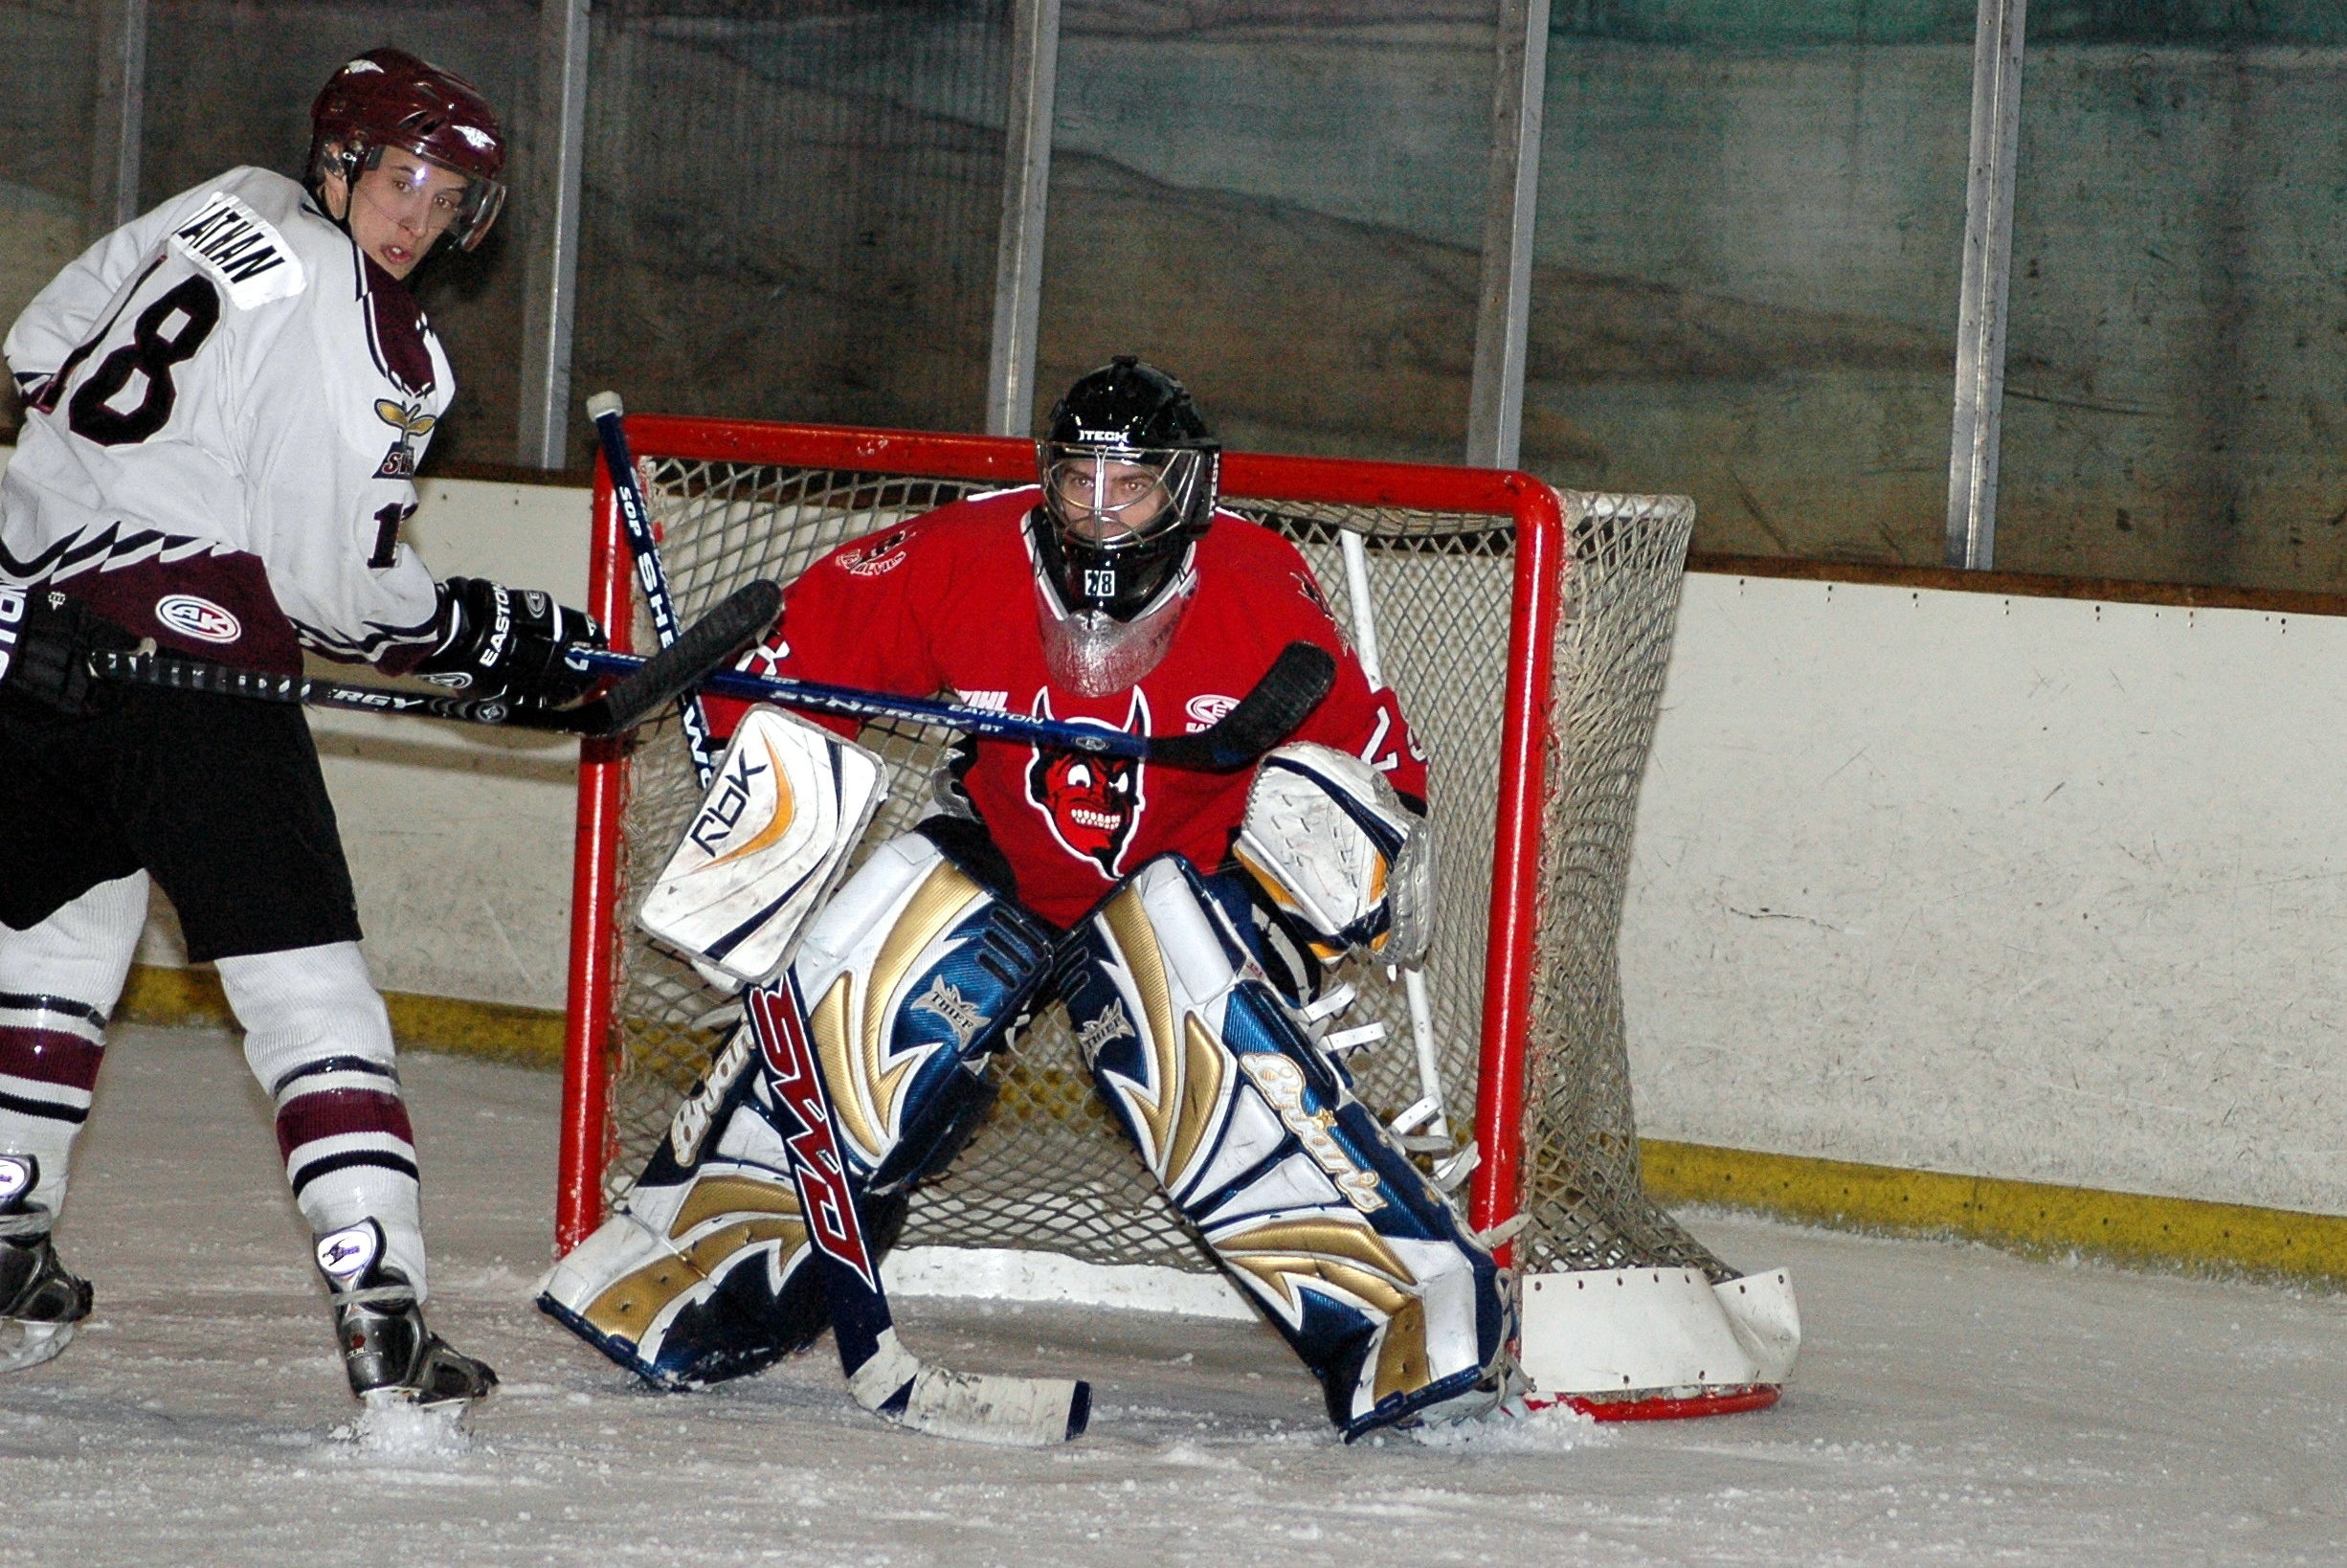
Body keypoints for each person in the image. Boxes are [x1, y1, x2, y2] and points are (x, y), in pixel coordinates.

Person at [543, 357, 1519, 1439]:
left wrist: (1355, 855)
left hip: (1195, 886)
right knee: (891, 939)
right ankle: (704, 1273)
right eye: (1079, 484)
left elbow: (1377, 770)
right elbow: (793, 668)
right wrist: (749, 787)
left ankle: (1404, 1308)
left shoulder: (1251, 581)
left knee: (1168, 983)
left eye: (1132, 486)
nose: (1100, 514)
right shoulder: (960, 553)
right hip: (1008, 861)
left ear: (1184, 492)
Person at [0, 48, 602, 1407]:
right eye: (402, 180)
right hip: (190, 686)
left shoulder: (225, 201)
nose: (421, 220)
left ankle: (6, 1232)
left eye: (449, 200)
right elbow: (334, 587)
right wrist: (474, 631)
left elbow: (39, 349)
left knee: (56, 927)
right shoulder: (380, 338)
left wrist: (117, 499)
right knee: (307, 993)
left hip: (24, 644)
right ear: (340, 163)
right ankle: (383, 1316)